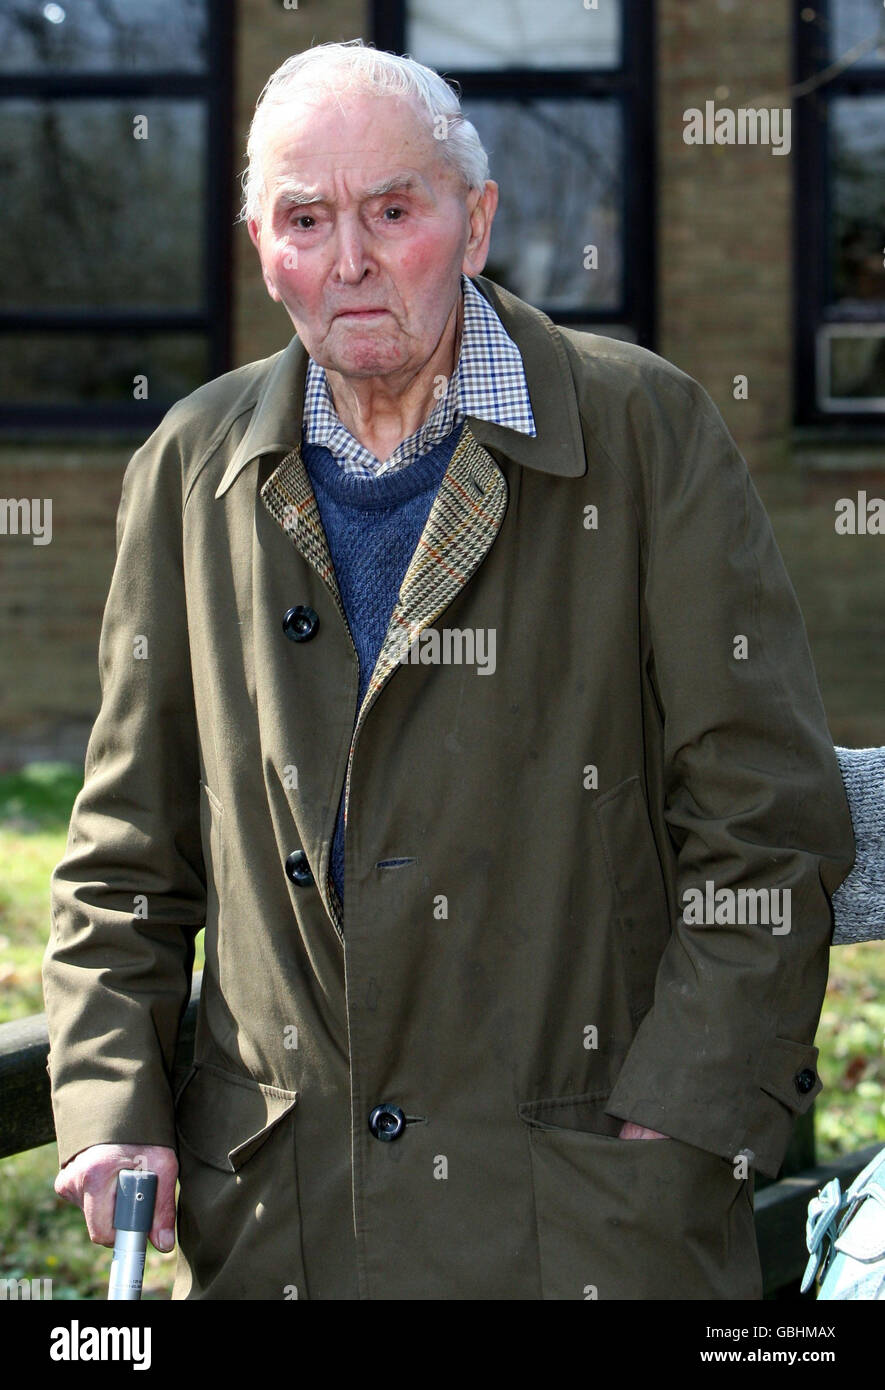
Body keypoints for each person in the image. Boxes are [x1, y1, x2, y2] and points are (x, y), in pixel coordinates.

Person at [42, 39, 856, 1300]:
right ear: (261, 241)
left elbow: (768, 816)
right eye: (306, 218)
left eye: (392, 211)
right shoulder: (189, 468)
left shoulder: (645, 431)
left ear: (474, 225)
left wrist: (691, 1109)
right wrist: (111, 1103)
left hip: (589, 1219)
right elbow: (125, 852)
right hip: (287, 1225)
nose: (349, 259)